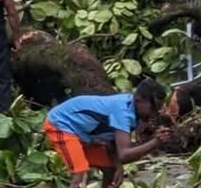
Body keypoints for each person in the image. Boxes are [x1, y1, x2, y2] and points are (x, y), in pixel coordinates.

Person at [44, 78, 172, 188]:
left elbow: (112, 143)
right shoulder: (123, 112)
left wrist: (118, 166)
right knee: (80, 172)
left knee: (111, 169)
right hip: (61, 125)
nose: (155, 113)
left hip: (82, 134)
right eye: (154, 108)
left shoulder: (133, 112)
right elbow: (124, 154)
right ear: (139, 100)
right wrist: (155, 142)